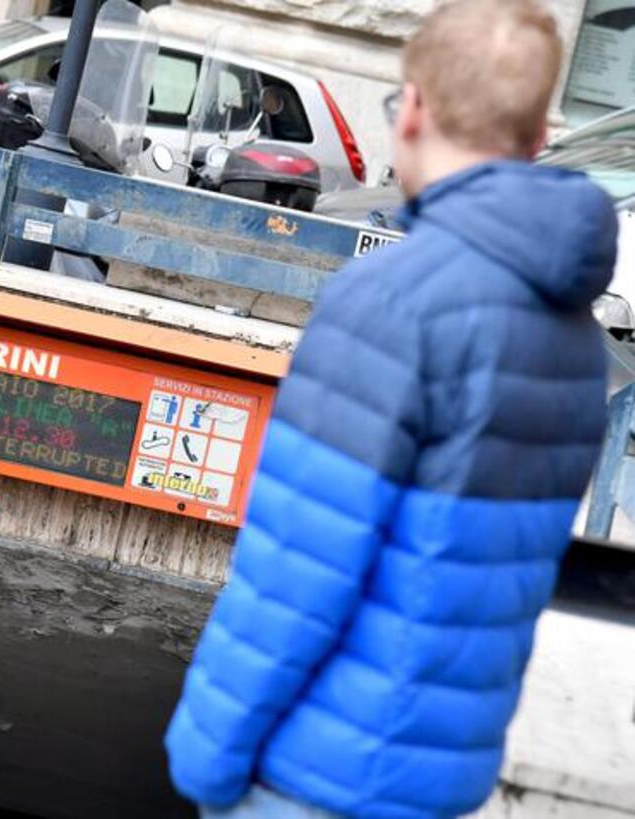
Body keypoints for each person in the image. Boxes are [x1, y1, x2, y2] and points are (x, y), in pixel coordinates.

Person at [163, 1, 619, 817]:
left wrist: (205, 757)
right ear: (537, 140)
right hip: (437, 783)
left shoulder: (389, 301)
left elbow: (298, 571)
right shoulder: (577, 339)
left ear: (412, 109)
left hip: (311, 774)